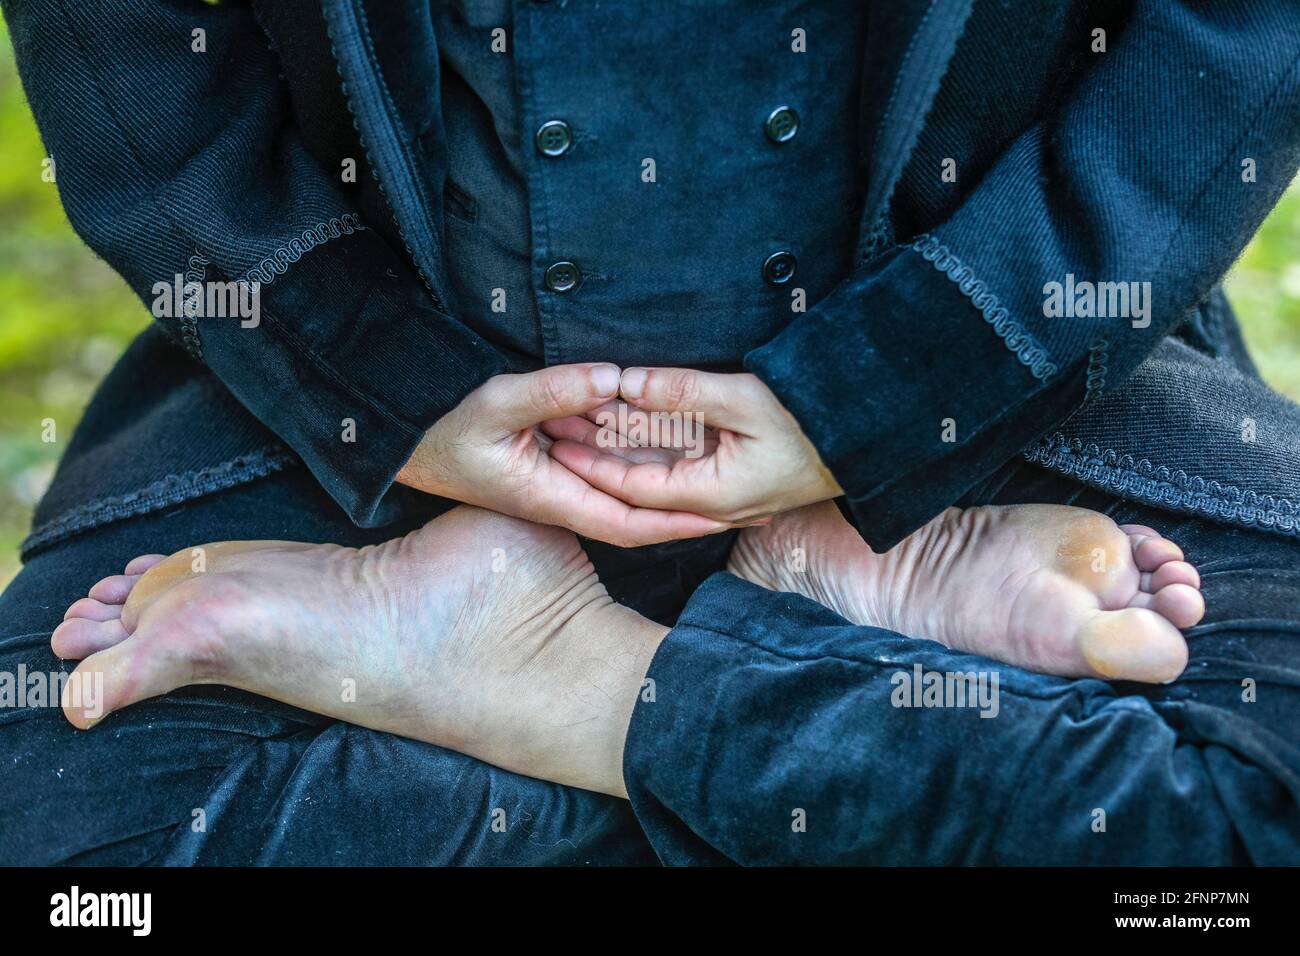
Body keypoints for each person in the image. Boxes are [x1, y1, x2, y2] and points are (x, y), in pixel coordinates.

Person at [2, 0, 1298, 864]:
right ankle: (797, 633)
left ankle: (555, 664)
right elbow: (136, 85)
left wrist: (892, 393)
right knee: (65, 845)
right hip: (384, 411)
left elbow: (1236, 45)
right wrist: (386, 386)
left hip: (989, 387)